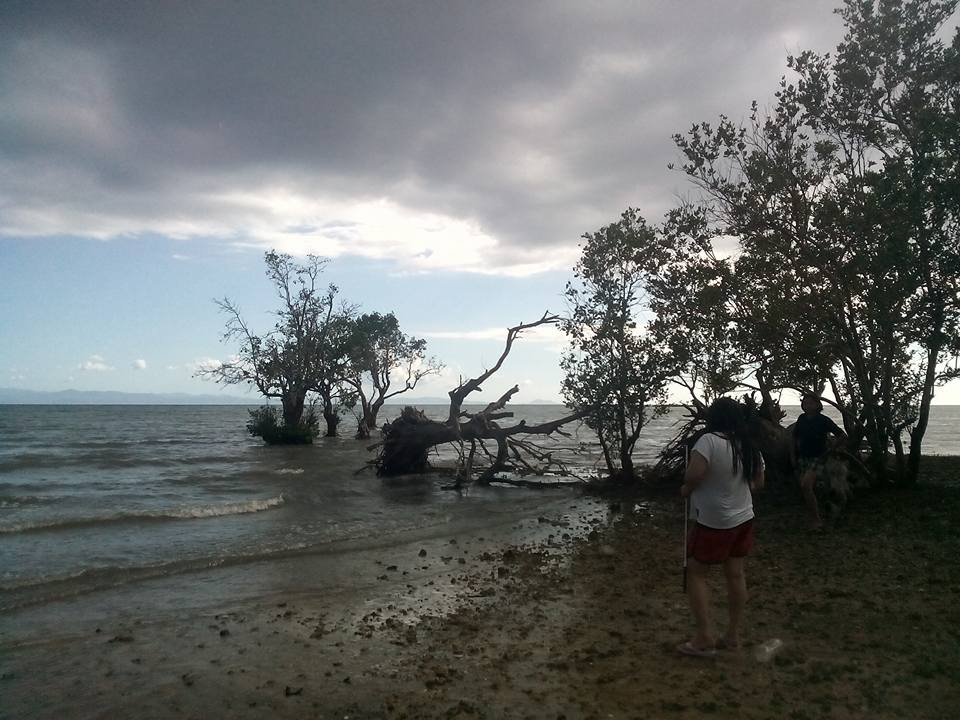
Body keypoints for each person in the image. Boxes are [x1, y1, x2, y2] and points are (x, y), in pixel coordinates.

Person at [678, 397, 765, 657]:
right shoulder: (748, 445)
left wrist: (686, 488)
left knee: (696, 572)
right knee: (735, 574)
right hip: (744, 516)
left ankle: (705, 637)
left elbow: (694, 474)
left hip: (714, 520)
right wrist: (736, 487)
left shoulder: (709, 441)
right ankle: (732, 636)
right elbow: (759, 482)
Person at [792, 394, 846, 529]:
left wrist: (832, 449)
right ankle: (819, 513)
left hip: (818, 458)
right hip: (803, 457)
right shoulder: (802, 418)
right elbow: (794, 437)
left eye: (810, 403)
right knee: (808, 488)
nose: (807, 406)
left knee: (806, 485)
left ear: (817, 405)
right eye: (805, 403)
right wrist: (792, 455)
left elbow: (841, 435)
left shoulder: (823, 420)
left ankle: (816, 520)